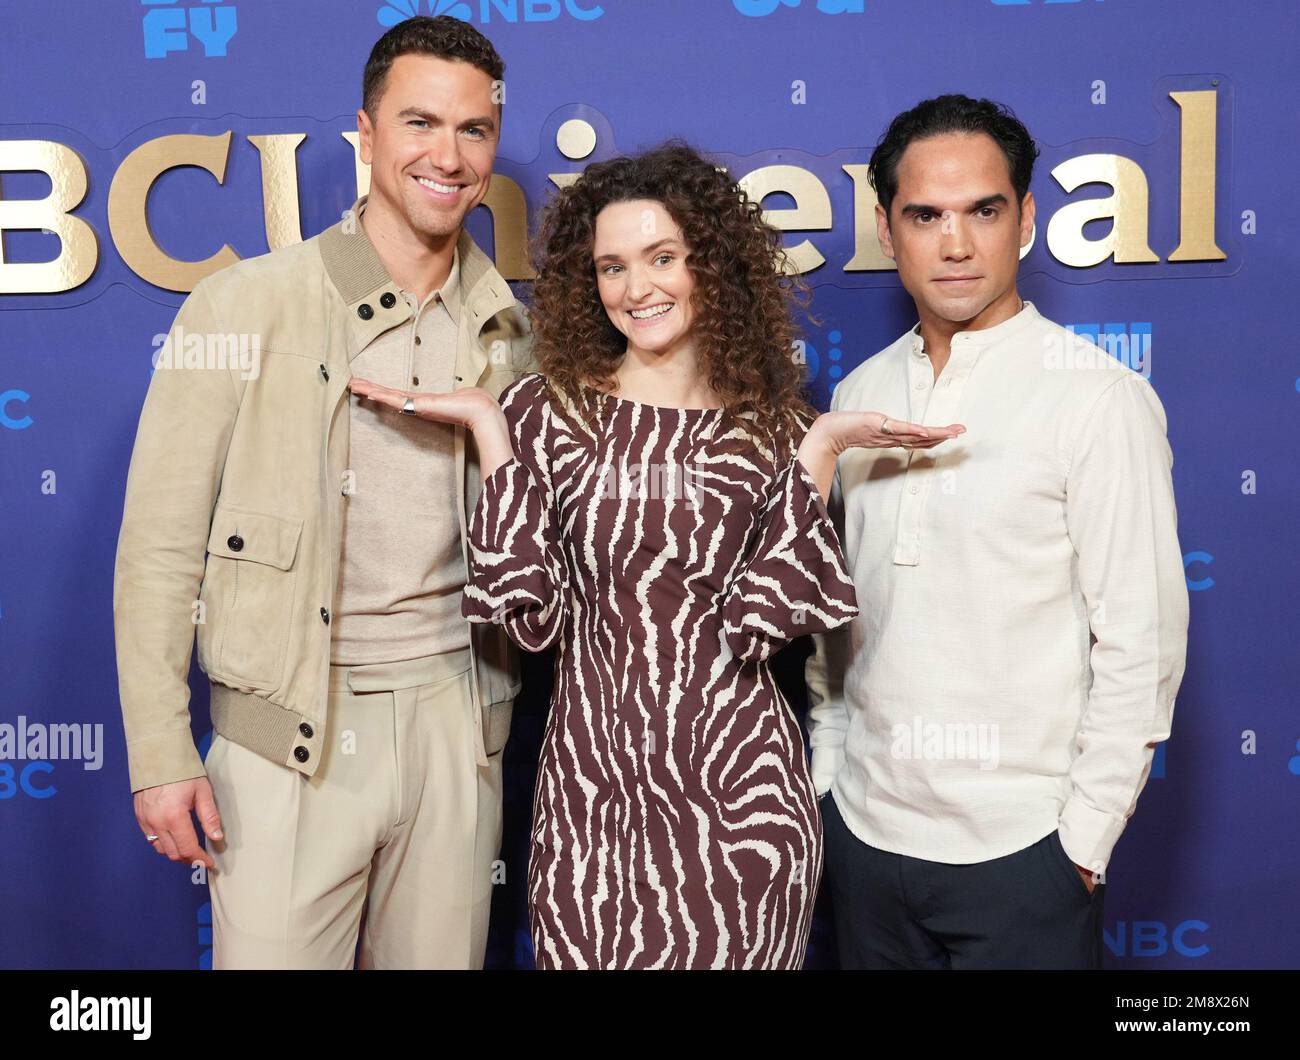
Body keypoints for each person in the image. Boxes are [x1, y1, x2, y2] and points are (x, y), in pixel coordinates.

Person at [349, 142, 963, 968]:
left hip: (742, 806)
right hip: (589, 809)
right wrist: (493, 433)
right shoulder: (545, 410)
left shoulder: (775, 428)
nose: (637, 289)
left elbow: (764, 626)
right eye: (612, 267)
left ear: (710, 265)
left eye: (662, 258)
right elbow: (532, 618)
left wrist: (817, 450)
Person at [114, 16, 535, 968]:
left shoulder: (513, 331)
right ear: (366, 132)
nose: (448, 154)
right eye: (420, 122)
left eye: (474, 130)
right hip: (288, 736)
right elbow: (160, 547)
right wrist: (159, 752)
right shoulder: (244, 305)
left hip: (455, 725)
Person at [807, 95, 1189, 969]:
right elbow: (835, 611)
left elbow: (1144, 638)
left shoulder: (1096, 396)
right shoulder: (858, 392)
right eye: (926, 215)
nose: (956, 242)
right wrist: (832, 777)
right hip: (866, 840)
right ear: (886, 228)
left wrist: (1081, 846)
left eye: (984, 210)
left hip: (1023, 855)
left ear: (1025, 218)